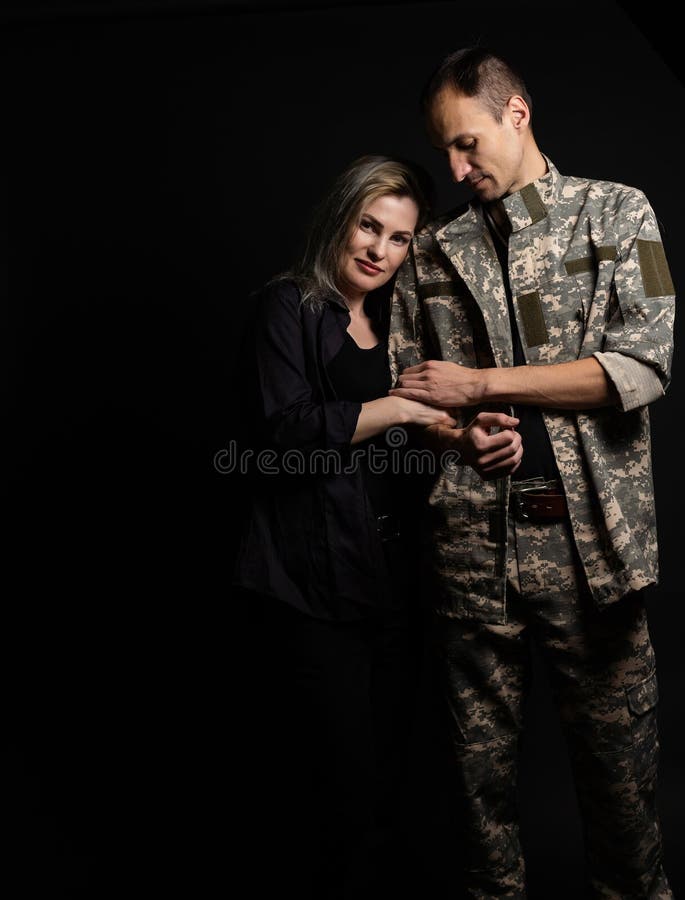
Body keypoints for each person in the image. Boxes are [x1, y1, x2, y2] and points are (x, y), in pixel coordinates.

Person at [388, 47, 675, 898]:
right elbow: (407, 394)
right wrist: (457, 435)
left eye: (466, 143)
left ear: (515, 114)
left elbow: (641, 367)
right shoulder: (429, 251)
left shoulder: (618, 213)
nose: (453, 168)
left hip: (595, 558)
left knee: (623, 796)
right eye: (442, 150)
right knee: (475, 806)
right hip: (472, 561)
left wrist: (482, 385)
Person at [233, 155, 522, 899]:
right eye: (369, 227)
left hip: (395, 577)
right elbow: (284, 436)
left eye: (398, 239)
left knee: (398, 779)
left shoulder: (395, 317)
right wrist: (395, 406)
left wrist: (463, 440)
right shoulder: (288, 305)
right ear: (341, 217)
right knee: (339, 787)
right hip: (312, 585)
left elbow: (406, 438)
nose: (379, 250)